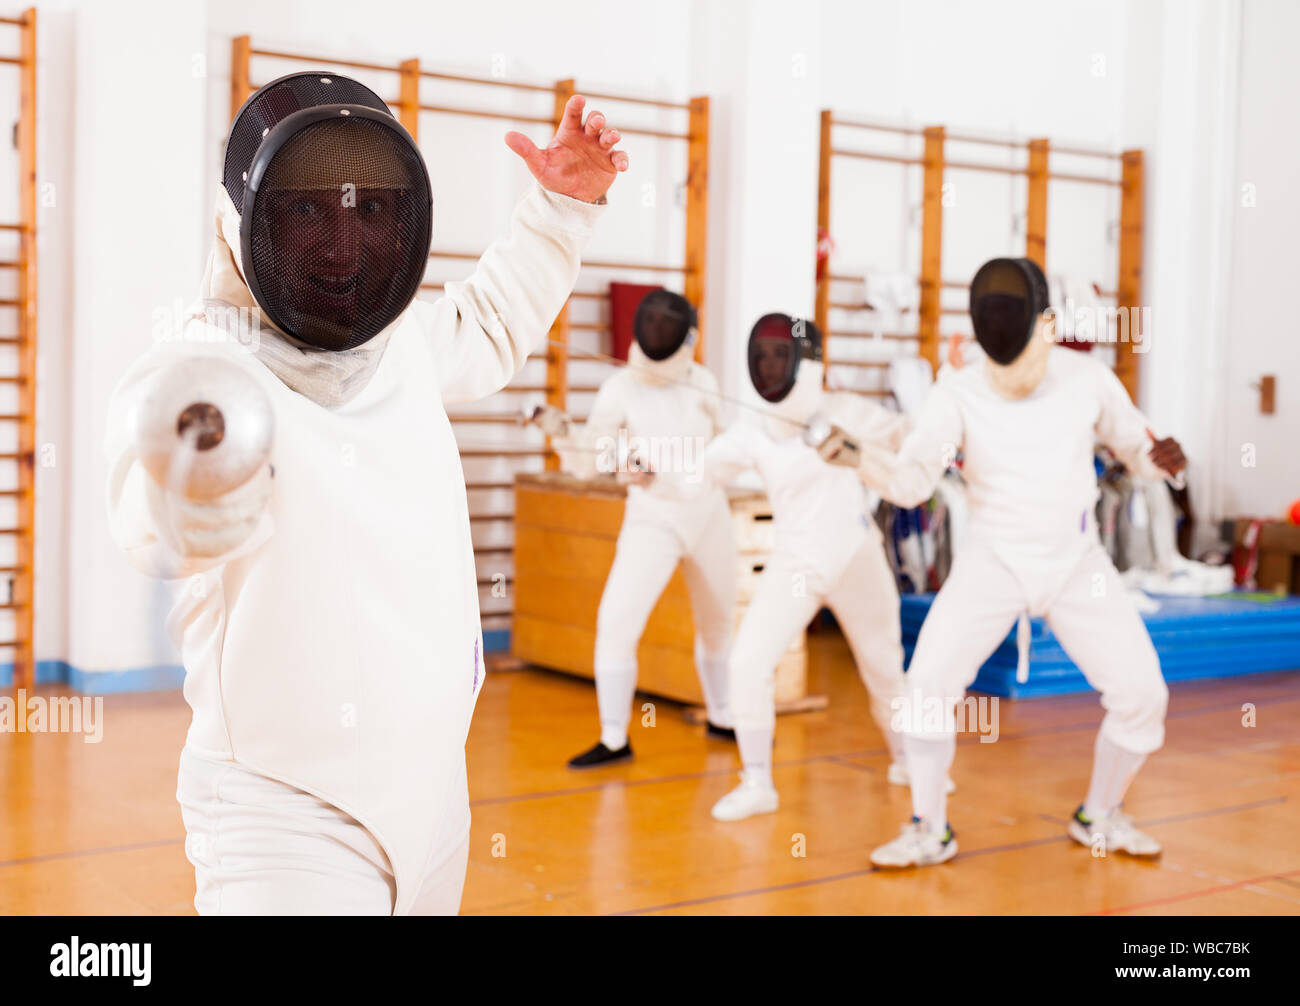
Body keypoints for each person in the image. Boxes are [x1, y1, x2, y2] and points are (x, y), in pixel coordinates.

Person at [104, 72, 628, 914]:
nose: (342, 245)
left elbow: (491, 321)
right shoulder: (205, 368)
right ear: (248, 223)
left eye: (369, 210)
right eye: (308, 211)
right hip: (285, 817)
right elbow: (148, 514)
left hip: (435, 796)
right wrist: (199, 478)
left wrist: (561, 208)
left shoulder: (403, 341)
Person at [858, 257, 1185, 868]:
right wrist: (860, 457)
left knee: (1143, 693)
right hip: (994, 558)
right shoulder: (957, 389)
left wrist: (1160, 457)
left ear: (1046, 321)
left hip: (1075, 561)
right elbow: (909, 482)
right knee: (926, 687)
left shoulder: (1086, 378)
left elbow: (1136, 444)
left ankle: (1100, 815)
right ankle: (930, 827)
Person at [695, 314, 936, 822]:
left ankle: (909, 762)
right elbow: (700, 472)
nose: (768, 366)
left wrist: (923, 408)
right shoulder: (754, 428)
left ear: (806, 365)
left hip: (856, 557)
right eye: (761, 356)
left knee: (884, 669)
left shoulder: (846, 410)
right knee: (747, 664)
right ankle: (757, 781)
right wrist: (650, 468)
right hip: (796, 565)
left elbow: (911, 438)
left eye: (779, 357)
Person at [531, 290, 736, 766]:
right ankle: (614, 738)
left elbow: (725, 451)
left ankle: (723, 717)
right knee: (616, 623)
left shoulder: (702, 382)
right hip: (653, 519)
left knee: (718, 623)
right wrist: (583, 443)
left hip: (709, 514)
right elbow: (588, 462)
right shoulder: (621, 387)